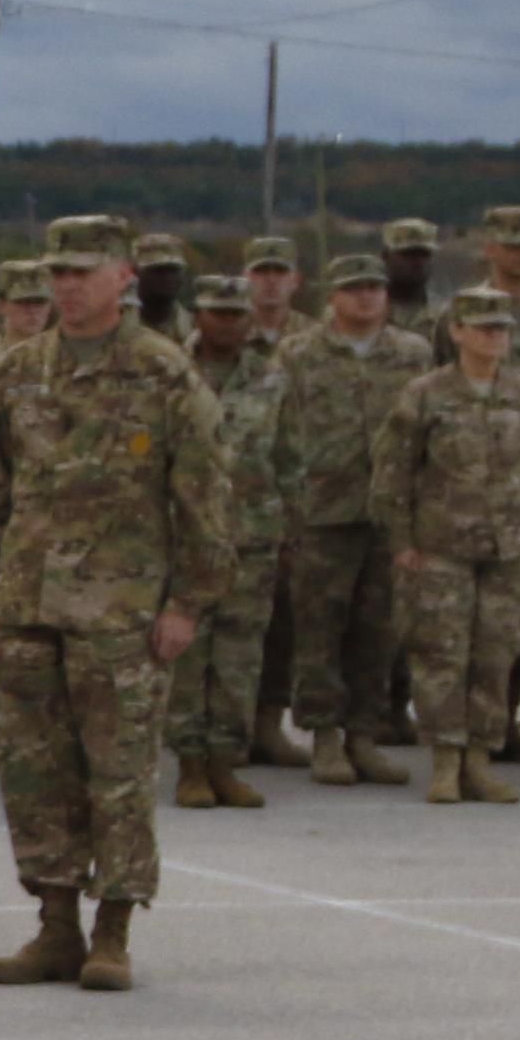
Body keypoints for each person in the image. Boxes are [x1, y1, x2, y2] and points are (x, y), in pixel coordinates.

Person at [0, 216, 227, 989]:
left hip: (124, 613)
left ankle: (112, 929)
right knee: (34, 772)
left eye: (82, 271)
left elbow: (206, 499)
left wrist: (188, 601)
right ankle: (55, 925)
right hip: (29, 605)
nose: (66, 286)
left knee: (117, 774)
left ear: (124, 275)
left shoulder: (164, 373)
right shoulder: (18, 371)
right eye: (57, 272)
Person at [375, 292, 520, 813]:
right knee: (440, 654)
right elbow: (393, 473)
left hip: (509, 546)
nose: (493, 337)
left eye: (501, 328)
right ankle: (446, 761)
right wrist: (402, 541)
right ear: (457, 332)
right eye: (482, 327)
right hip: (441, 545)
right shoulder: (425, 395)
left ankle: (480, 759)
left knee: (497, 654)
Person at [273, 255, 425, 782]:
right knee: (319, 626)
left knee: (379, 629)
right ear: (331, 296)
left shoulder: (411, 353)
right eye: (354, 288)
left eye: (374, 288)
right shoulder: (298, 354)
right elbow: (279, 432)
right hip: (321, 511)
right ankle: (324, 736)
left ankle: (366, 733)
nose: (366, 297)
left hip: (388, 512)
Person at [174, 283, 291, 809]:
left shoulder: (271, 377)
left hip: (252, 537)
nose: (228, 323)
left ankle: (226, 762)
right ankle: (190, 766)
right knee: (187, 654)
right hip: (185, 536)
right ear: (198, 314)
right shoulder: (169, 373)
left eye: (237, 314)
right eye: (218, 314)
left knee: (240, 655)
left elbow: (291, 455)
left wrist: (293, 524)